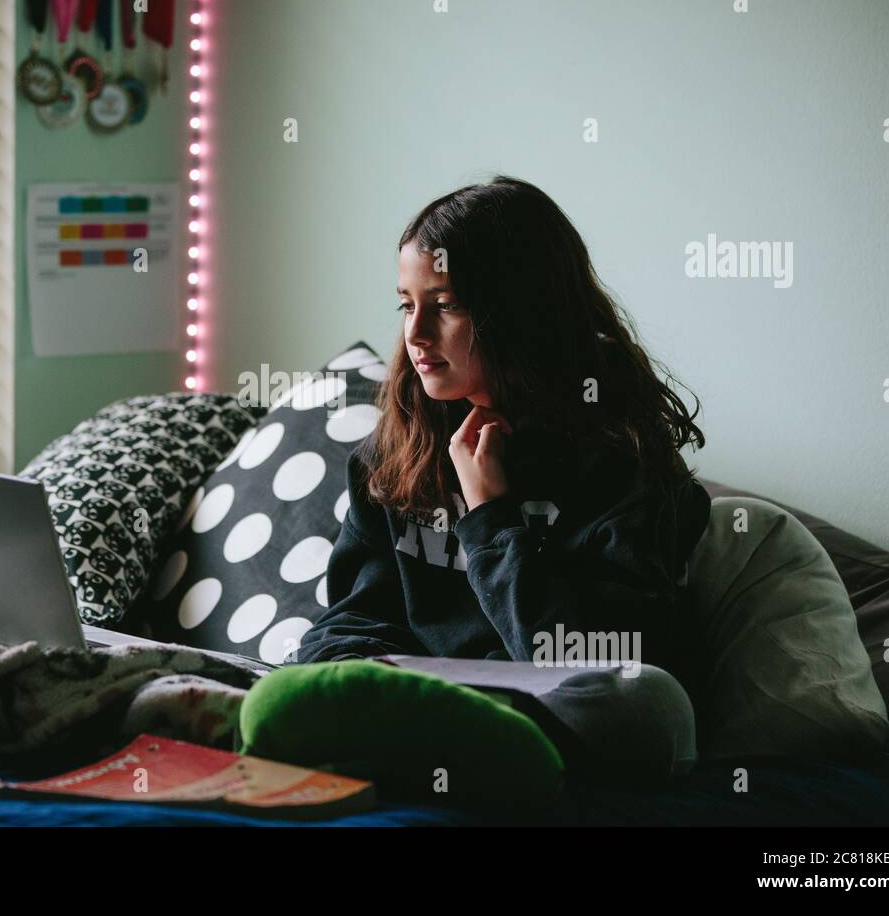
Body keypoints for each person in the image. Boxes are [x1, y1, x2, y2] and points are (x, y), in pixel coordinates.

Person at [292, 175, 713, 781]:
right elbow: (357, 615)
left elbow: (586, 662)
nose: (415, 335)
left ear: (521, 313)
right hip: (415, 709)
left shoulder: (628, 477)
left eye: (446, 304)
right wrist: (351, 675)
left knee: (645, 702)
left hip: (546, 713)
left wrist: (489, 518)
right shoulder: (392, 459)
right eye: (407, 304)